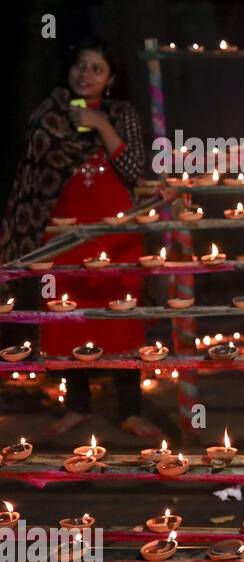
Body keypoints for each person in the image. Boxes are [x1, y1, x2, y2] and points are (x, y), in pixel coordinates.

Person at [0, 38, 165, 441]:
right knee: (66, 319)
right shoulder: (50, 113)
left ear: (110, 80)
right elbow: (32, 175)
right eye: (80, 65)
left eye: (96, 68)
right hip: (63, 234)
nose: (85, 74)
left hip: (114, 231)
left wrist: (102, 126)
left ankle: (130, 410)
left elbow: (132, 168)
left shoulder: (120, 113)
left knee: (121, 320)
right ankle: (77, 405)